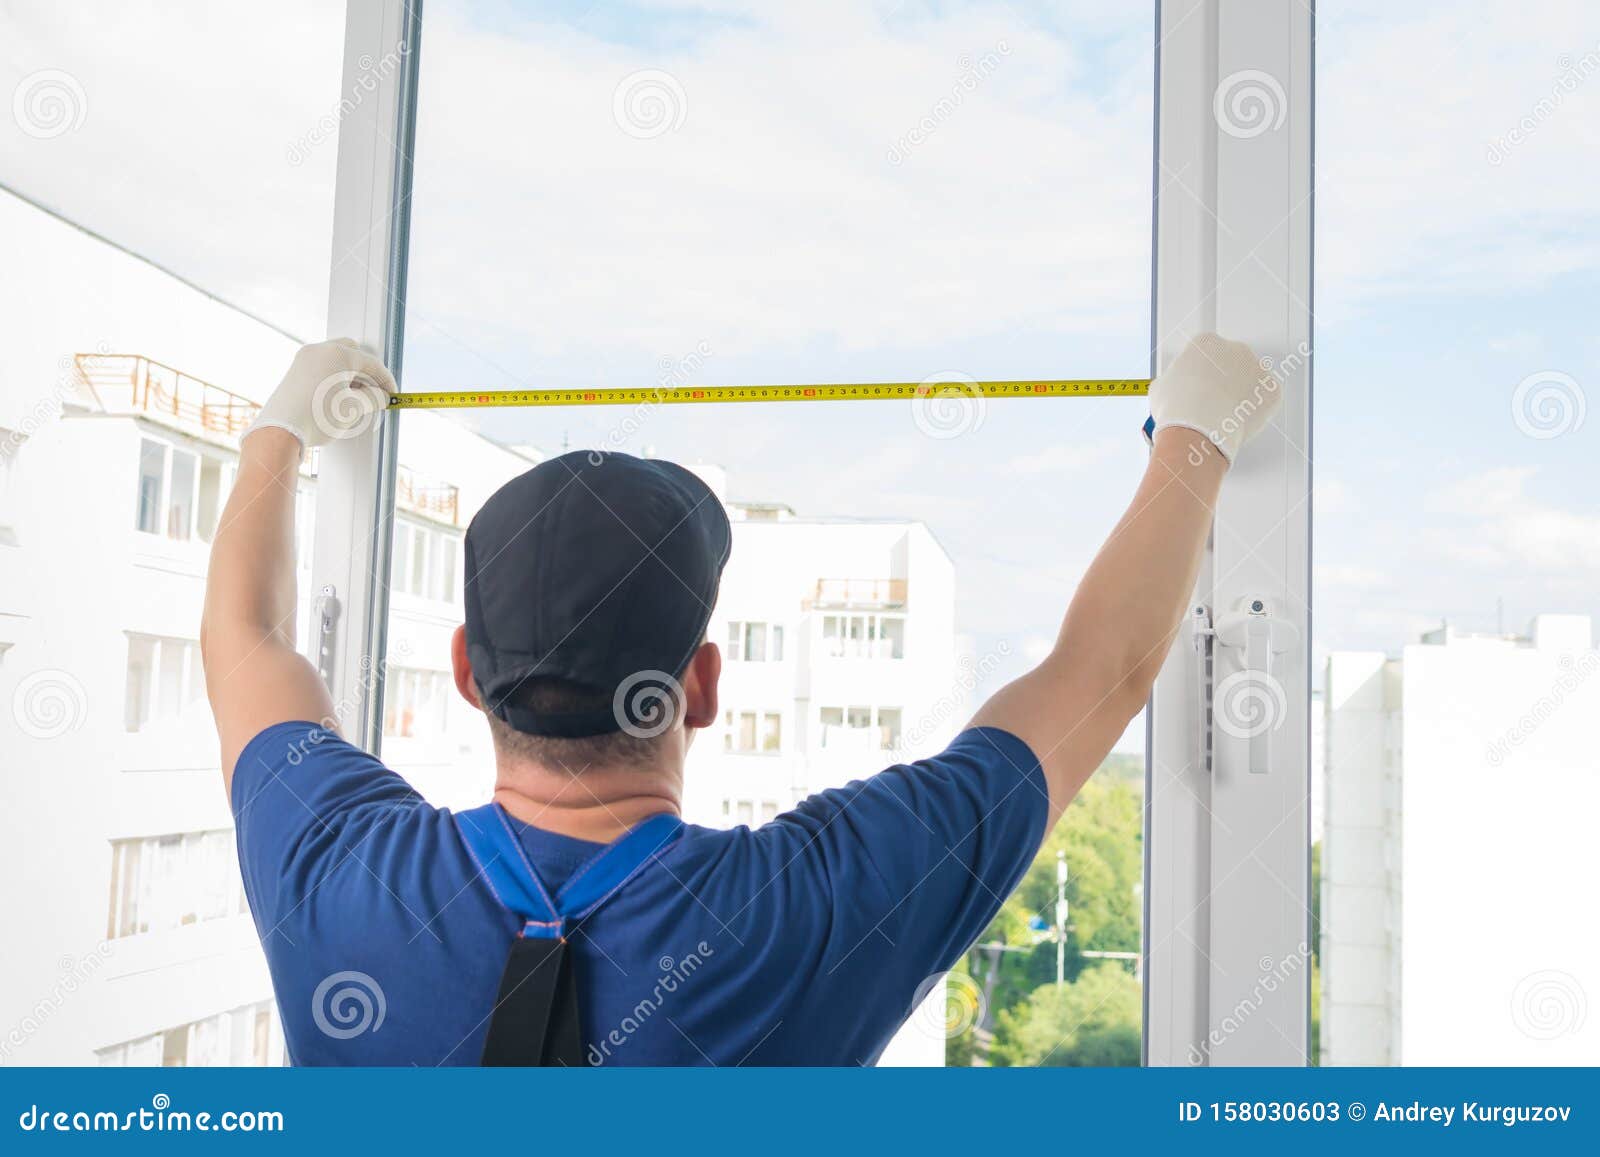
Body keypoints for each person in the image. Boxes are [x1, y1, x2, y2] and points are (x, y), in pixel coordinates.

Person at [201, 334, 1280, 1065]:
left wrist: (279, 432)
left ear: (468, 671)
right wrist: (1195, 434)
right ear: (702, 686)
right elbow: (1103, 669)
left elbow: (244, 637)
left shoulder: (329, 860)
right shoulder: (813, 907)